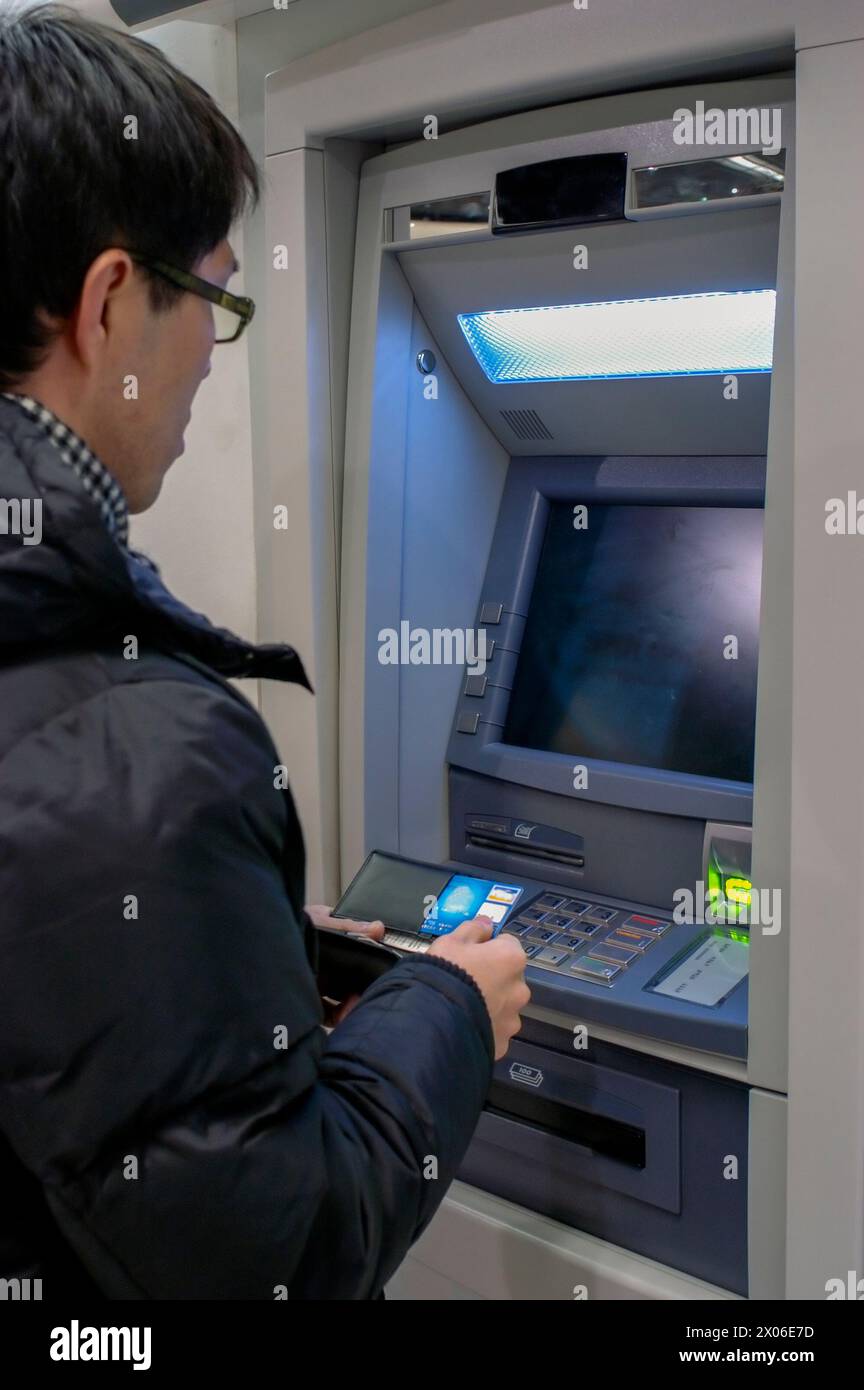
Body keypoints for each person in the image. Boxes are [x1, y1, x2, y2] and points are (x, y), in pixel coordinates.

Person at [0, 3, 529, 1300]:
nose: (207, 361)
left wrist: (240, 947)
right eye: (214, 301)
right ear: (112, 304)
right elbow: (286, 1251)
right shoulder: (137, 756)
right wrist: (451, 1007)